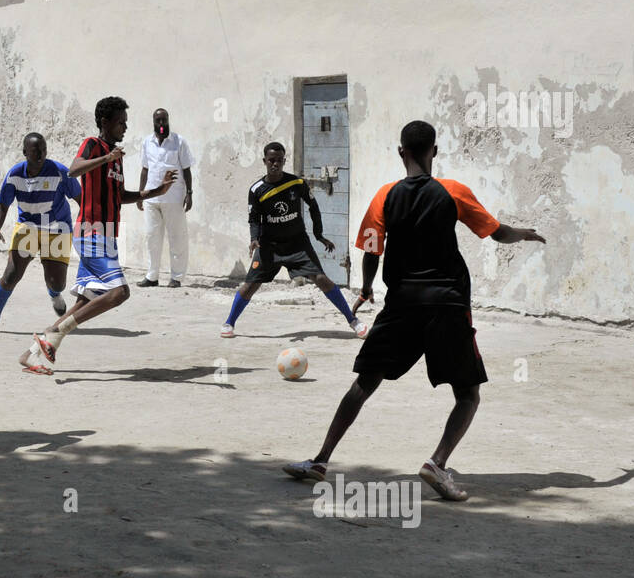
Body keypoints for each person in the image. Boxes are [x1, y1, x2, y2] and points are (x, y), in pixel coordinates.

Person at [283, 120, 547, 501]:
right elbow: (495, 231)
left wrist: (368, 287)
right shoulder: (453, 192)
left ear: (401, 151)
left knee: (364, 383)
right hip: (448, 304)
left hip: (402, 304)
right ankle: (436, 464)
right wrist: (522, 233)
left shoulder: (384, 196)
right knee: (468, 394)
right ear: (434, 151)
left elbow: (372, 249)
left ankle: (321, 460)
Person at [18, 96, 175, 374]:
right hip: (92, 230)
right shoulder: (94, 145)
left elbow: (120, 195)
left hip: (108, 235)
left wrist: (156, 192)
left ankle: (32, 353)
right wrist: (105, 157)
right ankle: (57, 335)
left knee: (86, 300)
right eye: (120, 123)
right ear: (105, 122)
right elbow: (73, 169)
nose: (125, 128)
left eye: (126, 123)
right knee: (119, 292)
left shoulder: (116, 158)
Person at [221, 142, 368, 339]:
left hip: (297, 243)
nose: (275, 164)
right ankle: (229, 323)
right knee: (250, 286)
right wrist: (254, 239)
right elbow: (254, 218)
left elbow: (313, 207)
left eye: (279, 160)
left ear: (284, 161)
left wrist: (318, 235)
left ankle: (353, 321)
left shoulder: (296, 183)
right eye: (271, 160)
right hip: (269, 246)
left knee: (321, 279)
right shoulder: (256, 190)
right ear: (264, 161)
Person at [0, 132, 81, 336]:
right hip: (28, 228)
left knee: (58, 282)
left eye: (43, 150)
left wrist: (87, 224)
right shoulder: (15, 174)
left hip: (57, 229)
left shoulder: (60, 172)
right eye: (35, 151)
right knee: (11, 274)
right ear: (25, 152)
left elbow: (82, 198)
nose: (40, 154)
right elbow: (2, 205)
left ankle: (54, 294)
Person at [136, 108, 194, 287]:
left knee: (177, 237)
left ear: (168, 120)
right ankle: (152, 277)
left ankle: (176, 277)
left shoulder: (179, 141)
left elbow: (186, 170)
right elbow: (145, 169)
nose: (161, 124)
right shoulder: (147, 142)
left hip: (173, 197)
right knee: (152, 237)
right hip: (152, 198)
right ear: (153, 122)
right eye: (158, 121)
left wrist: (189, 193)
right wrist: (140, 194)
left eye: (164, 120)